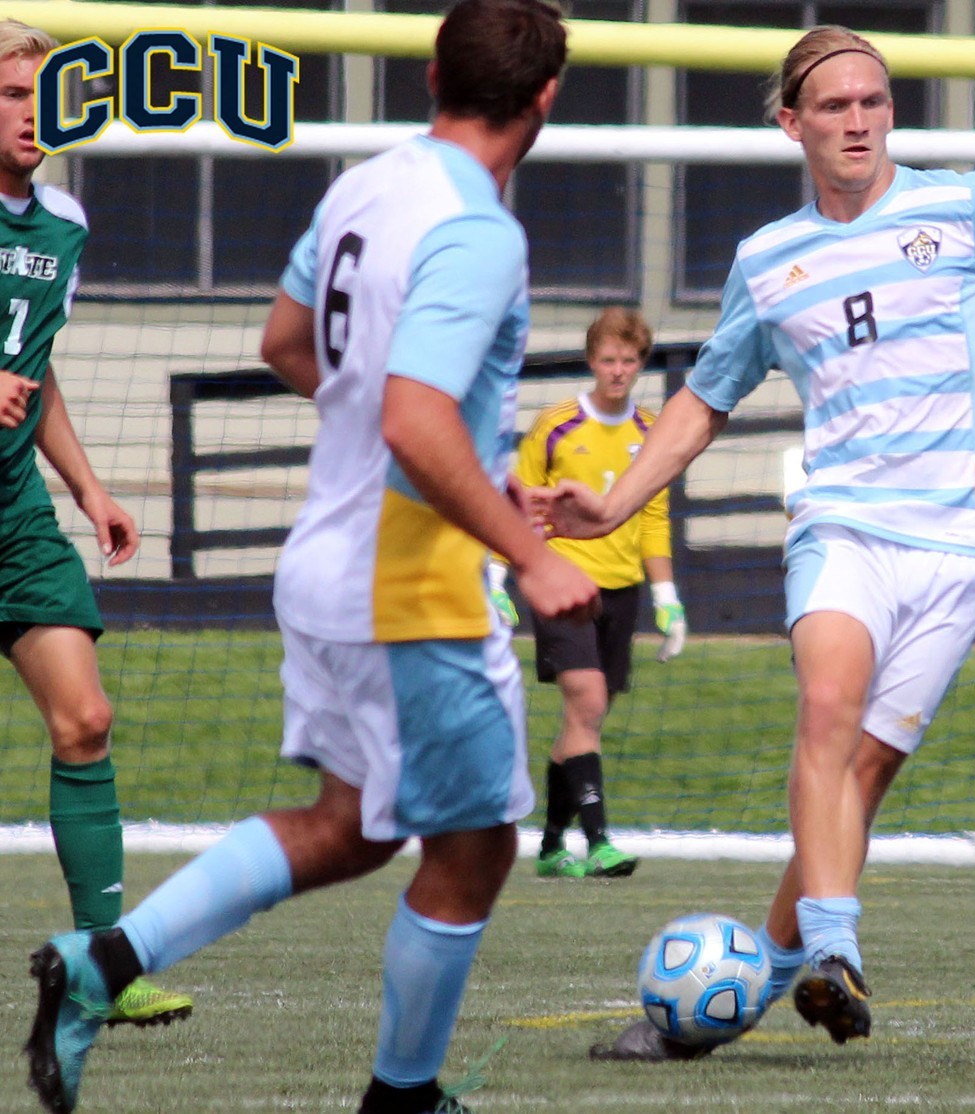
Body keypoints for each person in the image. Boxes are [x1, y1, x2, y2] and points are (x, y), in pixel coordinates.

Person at [22, 2, 597, 1111]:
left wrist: (469, 456)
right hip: (409, 587)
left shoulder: (364, 184)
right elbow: (414, 421)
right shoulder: (479, 230)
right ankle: (403, 1099)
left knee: (354, 828)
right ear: (545, 101)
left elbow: (288, 344)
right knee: (475, 846)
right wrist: (527, 548)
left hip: (323, 567)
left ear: (431, 69)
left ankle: (102, 963)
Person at [549, 25, 975, 1058]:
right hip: (841, 526)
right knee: (824, 709)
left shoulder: (968, 205)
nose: (857, 119)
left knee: (856, 780)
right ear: (791, 123)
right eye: (833, 106)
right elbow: (702, 400)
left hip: (956, 545)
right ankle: (836, 944)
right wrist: (614, 501)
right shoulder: (767, 262)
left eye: (873, 101)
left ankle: (757, 990)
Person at [0, 19, 194, 1035]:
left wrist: (87, 487)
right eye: (11, 93)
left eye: (45, 95)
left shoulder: (62, 226)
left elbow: (36, 371)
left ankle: (101, 970)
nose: (32, 113)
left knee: (86, 721)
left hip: (15, 517)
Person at [494, 306, 684, 880]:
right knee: (590, 702)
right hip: (562, 581)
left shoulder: (652, 432)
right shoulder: (553, 425)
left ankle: (552, 847)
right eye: (608, 359)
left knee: (584, 719)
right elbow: (516, 504)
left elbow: (652, 516)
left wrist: (667, 597)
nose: (618, 370)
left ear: (641, 363)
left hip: (622, 590)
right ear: (591, 361)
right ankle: (599, 842)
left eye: (629, 360)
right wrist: (496, 579)